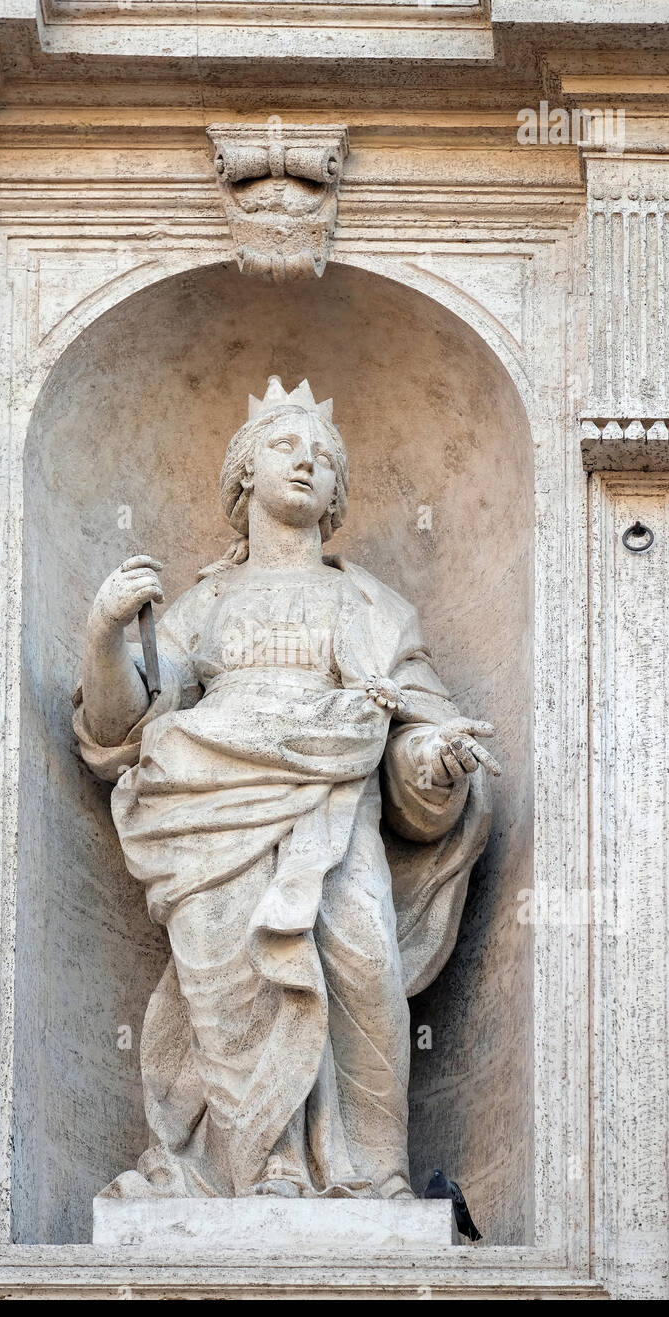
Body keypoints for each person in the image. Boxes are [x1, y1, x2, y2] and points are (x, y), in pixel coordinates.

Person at [74, 375, 498, 1200]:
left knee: (361, 960)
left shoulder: (372, 606)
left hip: (337, 810)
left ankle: (373, 1177)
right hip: (212, 813)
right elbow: (125, 727)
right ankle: (259, 1168)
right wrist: (102, 632)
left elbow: (414, 732)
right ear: (244, 476)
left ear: (339, 492)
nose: (306, 464)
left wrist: (434, 762)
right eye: (284, 446)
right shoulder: (205, 603)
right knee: (232, 979)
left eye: (324, 459)